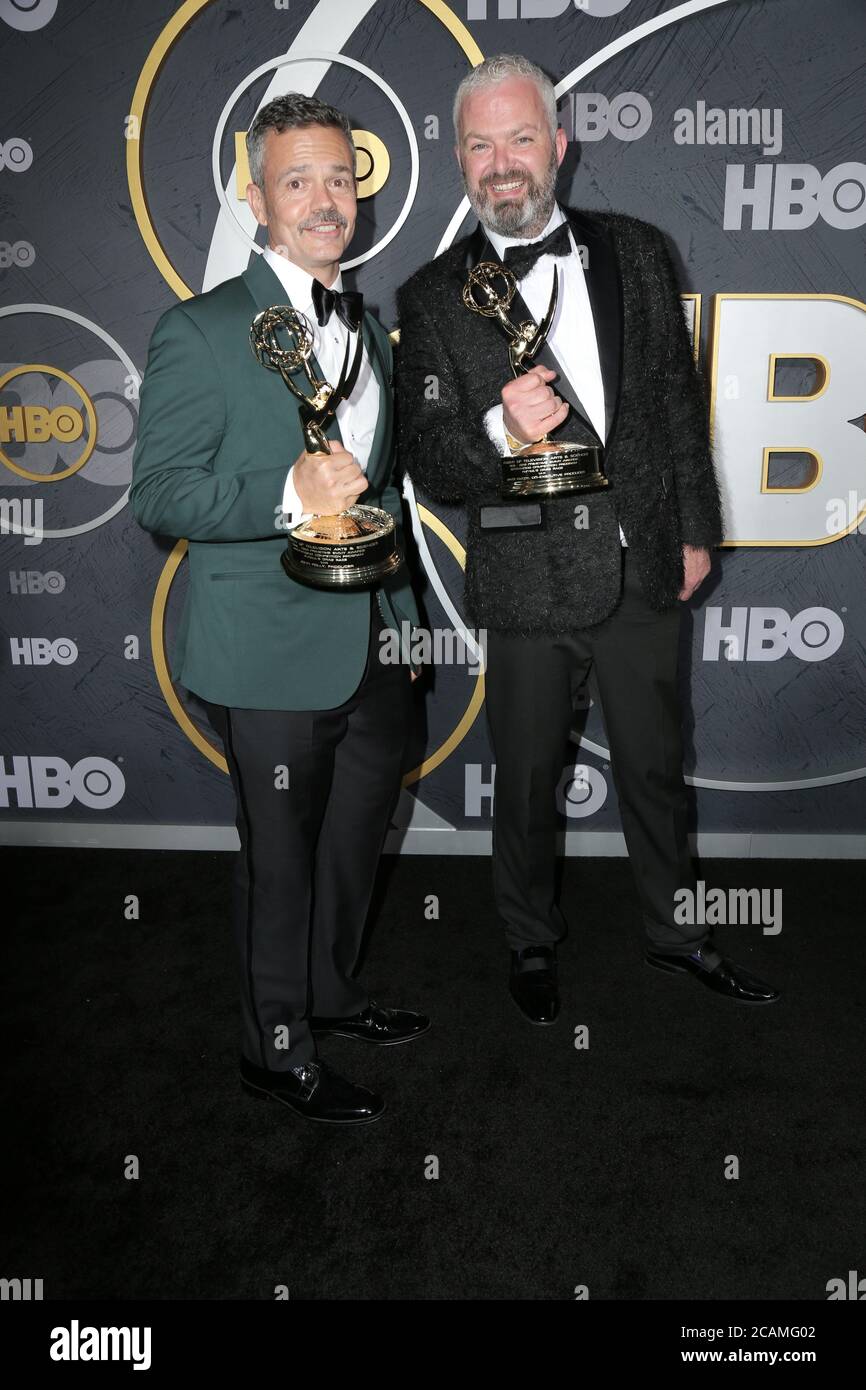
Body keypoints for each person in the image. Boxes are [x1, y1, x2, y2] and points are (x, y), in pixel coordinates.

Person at [395, 54, 779, 1024]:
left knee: (655, 766)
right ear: (457, 158)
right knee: (525, 778)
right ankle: (527, 938)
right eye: (480, 144)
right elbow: (428, 458)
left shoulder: (639, 252)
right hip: (525, 581)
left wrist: (695, 530)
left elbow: (671, 405)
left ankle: (677, 932)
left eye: (519, 138)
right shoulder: (432, 295)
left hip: (645, 562)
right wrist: (495, 429)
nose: (501, 162)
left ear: (558, 147)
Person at [131, 93, 428, 1124]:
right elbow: (158, 494)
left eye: (339, 177)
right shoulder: (200, 330)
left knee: (352, 843)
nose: (323, 198)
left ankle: (332, 995)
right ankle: (275, 1045)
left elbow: (377, 491)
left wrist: (401, 626)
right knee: (279, 859)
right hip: (263, 654)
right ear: (255, 198)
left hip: (371, 644)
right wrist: (282, 496)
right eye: (296, 179)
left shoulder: (372, 332)